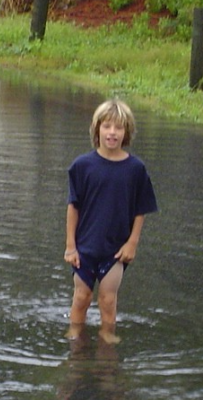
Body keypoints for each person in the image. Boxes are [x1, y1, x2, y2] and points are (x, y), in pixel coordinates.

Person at [64, 98, 157, 343]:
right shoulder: (82, 166)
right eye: (107, 127)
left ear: (127, 132)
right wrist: (71, 246)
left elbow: (141, 209)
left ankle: (107, 336)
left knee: (108, 298)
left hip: (115, 249)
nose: (112, 133)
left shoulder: (135, 169)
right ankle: (76, 334)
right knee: (82, 296)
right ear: (97, 130)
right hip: (85, 245)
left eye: (118, 128)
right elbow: (73, 207)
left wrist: (132, 243)